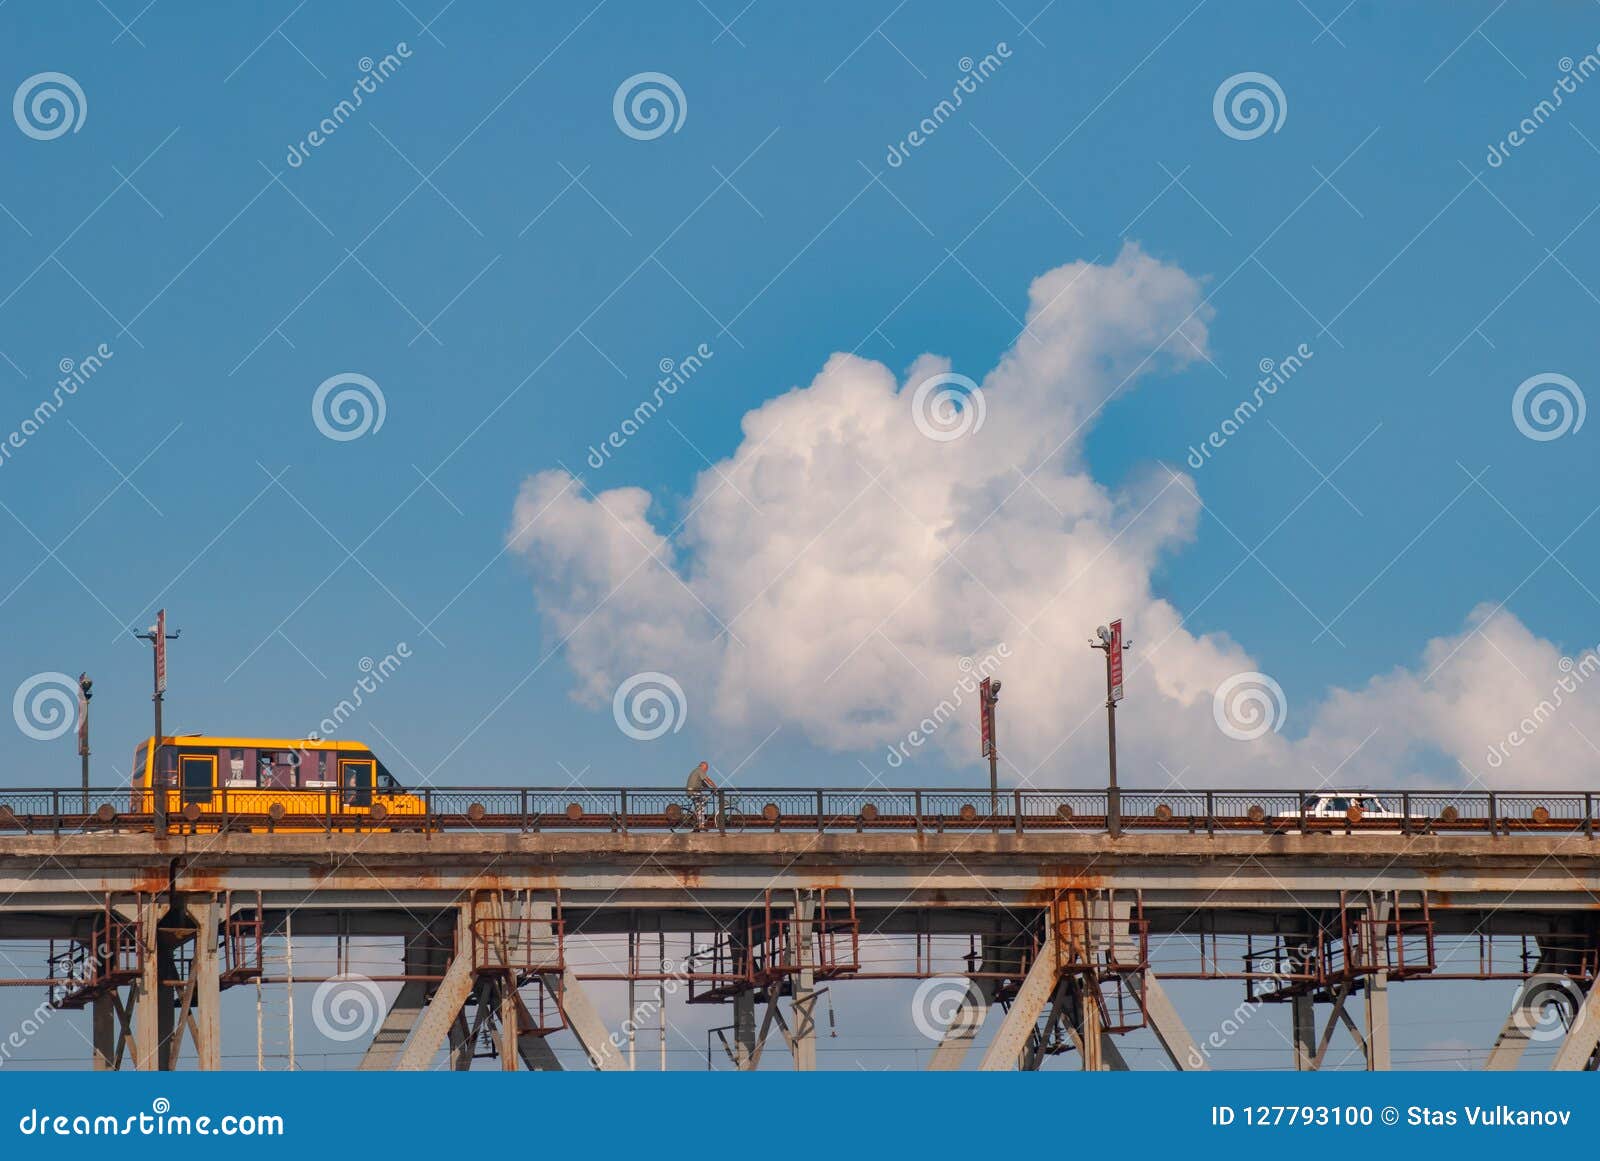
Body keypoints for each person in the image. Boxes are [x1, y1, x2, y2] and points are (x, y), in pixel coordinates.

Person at [685, 761, 716, 830]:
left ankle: (698, 819)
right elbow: (707, 780)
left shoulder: (697, 771)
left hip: (692, 792)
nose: (706, 770)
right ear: (702, 766)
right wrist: (715, 787)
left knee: (702, 802)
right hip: (694, 792)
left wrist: (710, 789)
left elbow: (703, 783)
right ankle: (701, 824)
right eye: (706, 768)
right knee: (702, 803)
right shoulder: (700, 770)